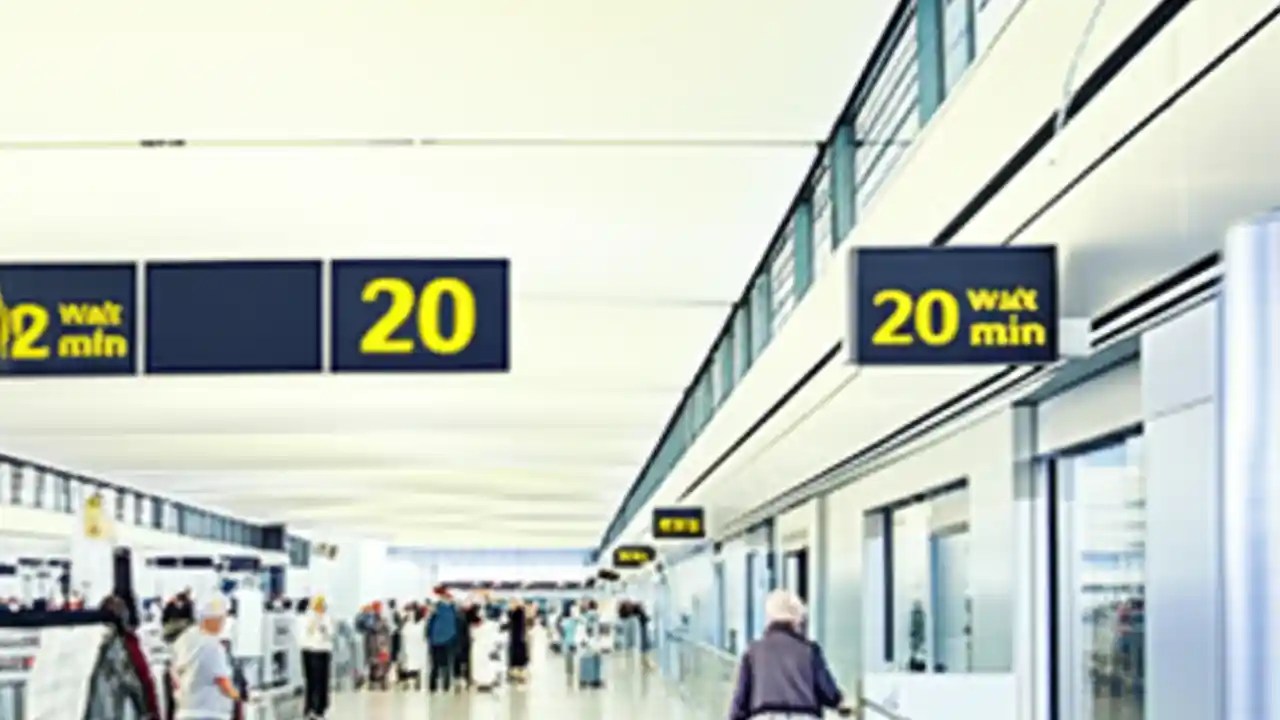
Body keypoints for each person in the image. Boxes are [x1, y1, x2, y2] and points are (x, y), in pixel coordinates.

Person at [729, 589, 852, 720]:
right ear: (796, 618)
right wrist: (841, 703)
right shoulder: (809, 650)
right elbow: (827, 691)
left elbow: (741, 700)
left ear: (769, 617)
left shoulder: (753, 652)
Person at [172, 596, 242, 720]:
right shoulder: (212, 645)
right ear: (211, 620)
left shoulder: (184, 639)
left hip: (184, 711)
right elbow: (222, 682)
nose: (222, 624)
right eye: (221, 620)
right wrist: (238, 697)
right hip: (209, 712)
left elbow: (173, 674)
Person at [300, 595, 333, 720]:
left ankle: (320, 708)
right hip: (309, 650)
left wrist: (323, 625)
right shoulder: (306, 617)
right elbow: (303, 634)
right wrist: (313, 623)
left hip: (323, 650)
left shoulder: (327, 618)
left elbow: (330, 633)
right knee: (311, 680)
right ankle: (309, 708)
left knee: (322, 680)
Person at [426, 587, 459, 692]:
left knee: (439, 665)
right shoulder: (447, 609)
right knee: (442, 665)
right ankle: (441, 686)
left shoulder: (440, 608)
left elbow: (429, 626)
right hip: (442, 641)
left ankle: (438, 686)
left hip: (440, 641)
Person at [469, 606, 504, 691]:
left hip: (481, 648)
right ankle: (487, 681)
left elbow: (473, 635)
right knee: (486, 665)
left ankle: (483, 681)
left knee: (482, 665)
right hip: (486, 647)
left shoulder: (477, 626)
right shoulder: (492, 625)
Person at [400, 604, 427, 690]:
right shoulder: (421, 624)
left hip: (416, 647)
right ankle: (413, 682)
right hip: (414, 647)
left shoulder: (419, 624)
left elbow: (404, 634)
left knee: (414, 665)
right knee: (413, 665)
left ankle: (414, 682)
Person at [506, 600, 530, 683]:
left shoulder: (518, 613)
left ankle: (517, 674)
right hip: (516, 639)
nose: (511, 605)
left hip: (517, 639)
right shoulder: (518, 613)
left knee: (517, 657)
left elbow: (511, 616)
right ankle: (516, 673)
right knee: (516, 656)